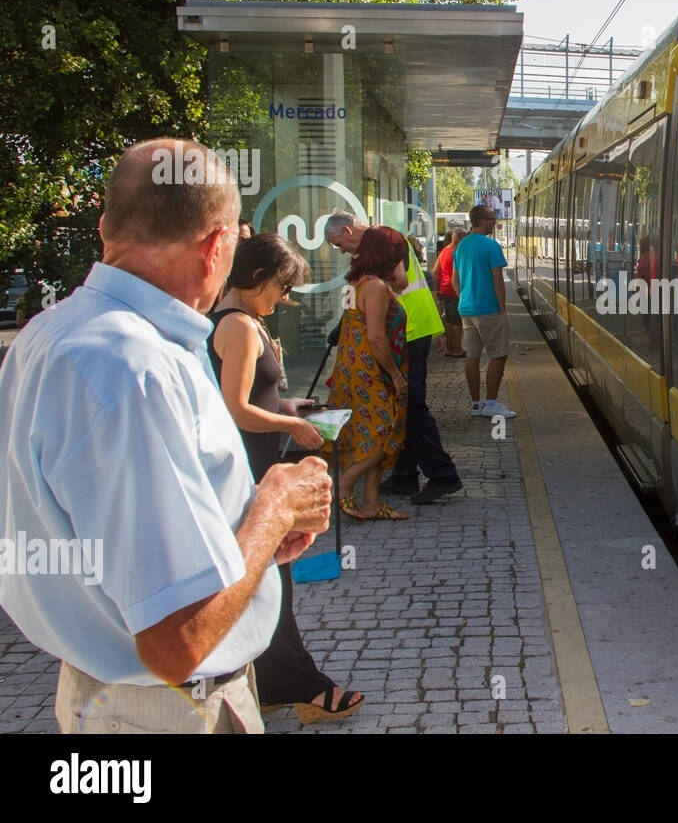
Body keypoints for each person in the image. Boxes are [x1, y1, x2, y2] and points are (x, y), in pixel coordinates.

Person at [0, 138, 331, 733]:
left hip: (106, 693)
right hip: (166, 709)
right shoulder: (137, 371)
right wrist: (272, 510)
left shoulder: (47, 336)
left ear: (106, 228)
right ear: (215, 248)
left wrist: (244, 537)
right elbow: (177, 641)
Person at [208, 233, 363, 724]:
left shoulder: (237, 319)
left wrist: (288, 406)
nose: (284, 298)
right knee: (271, 582)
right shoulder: (239, 325)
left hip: (255, 462)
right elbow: (236, 410)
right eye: (281, 286)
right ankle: (302, 688)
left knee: (270, 581)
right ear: (257, 278)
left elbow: (251, 398)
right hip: (254, 471)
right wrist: (292, 424)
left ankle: (277, 685)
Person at [325, 212, 463, 505]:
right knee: (402, 405)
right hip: (405, 329)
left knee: (412, 405)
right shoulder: (375, 245)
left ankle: (442, 476)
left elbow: (399, 280)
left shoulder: (386, 241)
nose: (340, 250)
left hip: (409, 330)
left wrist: (374, 291)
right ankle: (404, 474)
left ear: (347, 230)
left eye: (337, 242)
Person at [328, 225, 412, 520]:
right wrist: (396, 375)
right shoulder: (375, 287)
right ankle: (342, 486)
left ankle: (371, 503)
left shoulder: (356, 282)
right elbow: (376, 337)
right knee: (387, 434)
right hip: (373, 372)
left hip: (352, 369)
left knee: (370, 432)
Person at [454, 204, 516, 419]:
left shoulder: (461, 246)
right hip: (488, 308)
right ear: (482, 221)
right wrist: (502, 309)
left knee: (472, 355)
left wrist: (464, 297)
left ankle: (475, 403)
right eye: (491, 218)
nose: (494, 222)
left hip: (466, 309)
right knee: (498, 354)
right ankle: (490, 402)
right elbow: (497, 279)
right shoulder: (491, 246)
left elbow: (455, 280)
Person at [433, 228, 467, 358]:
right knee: (457, 321)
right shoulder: (459, 252)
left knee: (448, 319)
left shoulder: (444, 251)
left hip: (445, 289)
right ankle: (457, 349)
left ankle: (449, 348)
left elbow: (436, 271)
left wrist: (437, 289)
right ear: (460, 238)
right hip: (456, 289)